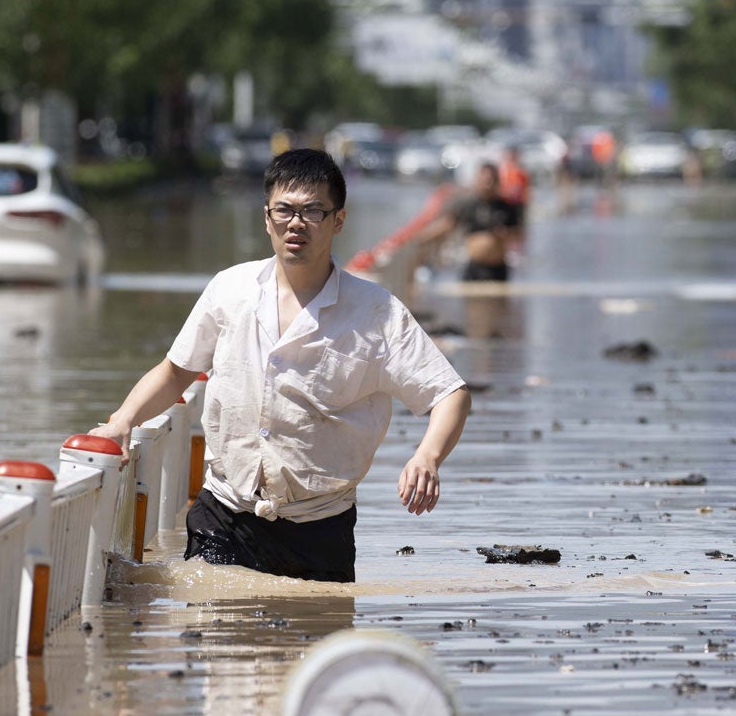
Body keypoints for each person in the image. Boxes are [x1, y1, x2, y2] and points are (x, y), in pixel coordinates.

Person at [89, 149, 471, 583]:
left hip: (320, 525)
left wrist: (428, 456)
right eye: (285, 210)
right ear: (266, 217)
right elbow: (176, 371)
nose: (296, 223)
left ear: (338, 221)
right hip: (225, 513)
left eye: (313, 211)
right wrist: (121, 423)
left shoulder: (376, 312)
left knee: (310, 645)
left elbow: (449, 394)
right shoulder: (230, 290)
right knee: (213, 630)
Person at [414, 162, 520, 282]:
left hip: (498, 269)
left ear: (497, 181)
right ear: (478, 180)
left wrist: (505, 234)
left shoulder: (506, 206)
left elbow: (519, 234)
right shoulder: (468, 204)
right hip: (475, 268)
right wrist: (421, 237)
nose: (487, 184)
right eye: (484, 180)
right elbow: (448, 224)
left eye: (491, 180)